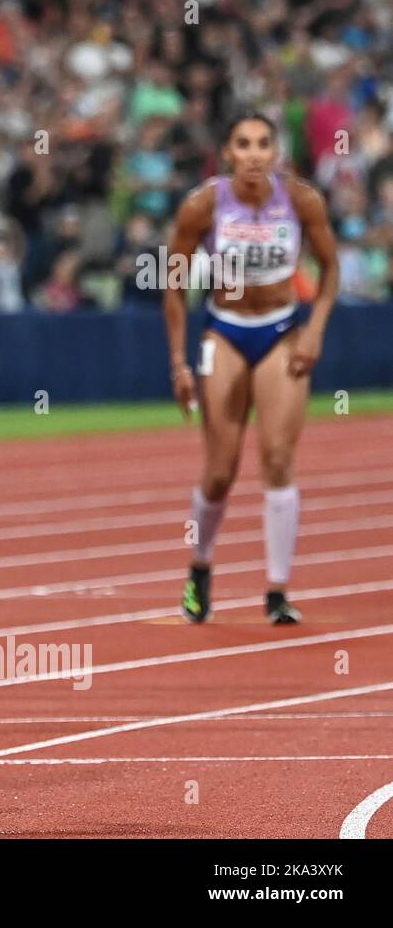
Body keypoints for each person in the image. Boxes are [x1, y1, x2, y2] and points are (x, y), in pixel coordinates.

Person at [164, 112, 338, 625]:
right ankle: (199, 570)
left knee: (278, 459)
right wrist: (178, 362)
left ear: (276, 152)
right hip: (226, 330)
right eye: (244, 144)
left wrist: (315, 328)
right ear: (228, 153)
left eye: (264, 144)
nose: (255, 154)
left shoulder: (302, 200)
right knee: (220, 471)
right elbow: (173, 285)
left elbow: (330, 269)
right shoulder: (202, 205)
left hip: (282, 330)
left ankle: (277, 591)